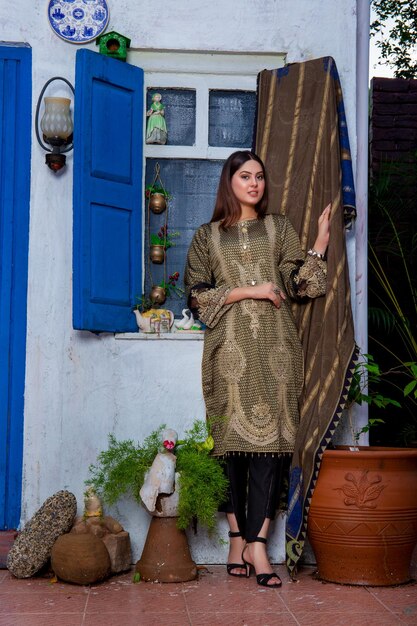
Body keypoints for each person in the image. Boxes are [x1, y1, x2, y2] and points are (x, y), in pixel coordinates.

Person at [184, 150, 331, 588]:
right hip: (229, 352)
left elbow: (300, 286)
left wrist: (320, 242)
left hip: (276, 352)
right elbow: (195, 295)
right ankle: (236, 537)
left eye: (260, 177)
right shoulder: (206, 237)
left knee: (272, 447)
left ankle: (257, 545)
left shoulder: (278, 227)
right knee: (231, 446)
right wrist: (250, 290)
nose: (254, 184)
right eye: (245, 176)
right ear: (229, 182)